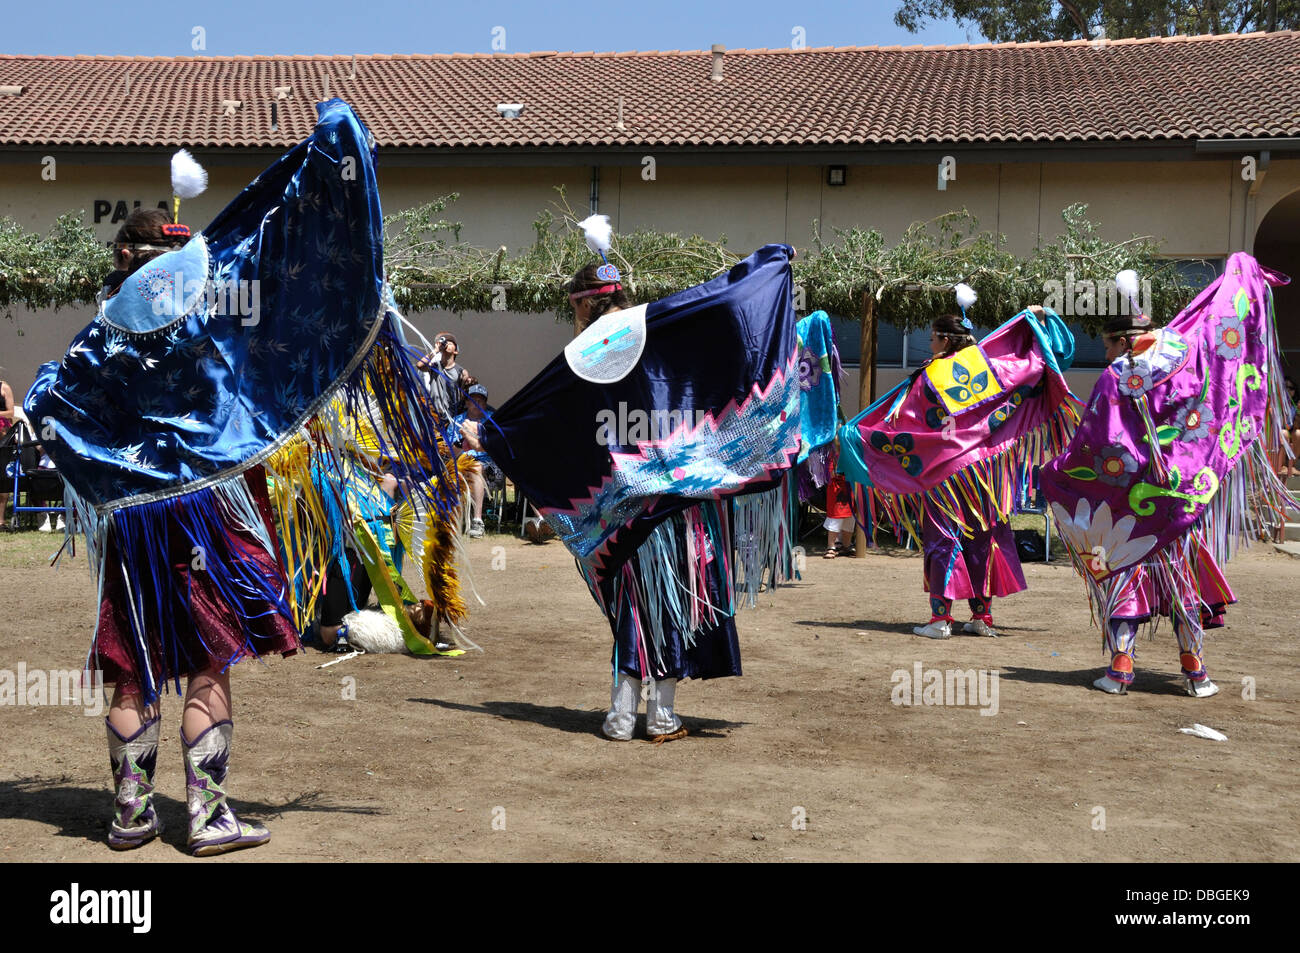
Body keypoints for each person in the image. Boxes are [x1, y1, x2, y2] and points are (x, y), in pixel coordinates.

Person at [27, 101, 455, 853]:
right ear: (174, 246)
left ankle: (132, 814)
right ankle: (208, 814)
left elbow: (47, 404)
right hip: (209, 504)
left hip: (135, 515)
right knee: (207, 659)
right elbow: (287, 241)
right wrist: (332, 138)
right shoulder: (214, 290)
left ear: (123, 258)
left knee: (132, 659)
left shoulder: (100, 335)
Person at [462, 226, 802, 742]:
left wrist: (490, 432)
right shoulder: (660, 326)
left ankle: (627, 715)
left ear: (582, 305)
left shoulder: (585, 354)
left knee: (638, 607)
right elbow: (718, 302)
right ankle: (656, 715)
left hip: (625, 509)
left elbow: (544, 416)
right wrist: (769, 266)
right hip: (678, 498)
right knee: (672, 602)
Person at [1042, 259, 1292, 698]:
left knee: (1127, 572)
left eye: (1106, 345)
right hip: (1181, 499)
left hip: (1131, 506)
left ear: (1123, 341)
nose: (1104, 354)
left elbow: (1101, 443)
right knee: (1181, 579)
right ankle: (1197, 674)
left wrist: (1060, 471)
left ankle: (1120, 671)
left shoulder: (1116, 377)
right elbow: (1214, 389)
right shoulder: (1185, 356)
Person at [838, 294, 1079, 641]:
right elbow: (1038, 364)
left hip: (946, 473)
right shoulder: (988, 366)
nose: (930, 344)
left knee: (942, 538)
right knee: (983, 537)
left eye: (933, 338)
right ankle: (982, 617)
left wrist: (860, 435)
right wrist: (1037, 317)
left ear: (945, 340)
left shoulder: (931, 375)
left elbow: (908, 425)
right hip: (984, 473)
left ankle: (941, 619)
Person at [451, 383, 502, 539]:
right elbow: (451, 453)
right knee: (456, 471)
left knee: (477, 467)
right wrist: (461, 442)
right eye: (472, 400)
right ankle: (451, 523)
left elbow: (499, 448)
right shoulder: (457, 421)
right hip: (461, 466)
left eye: (480, 401)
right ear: (466, 402)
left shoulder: (492, 420)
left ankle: (477, 521)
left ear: (485, 403)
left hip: (490, 468)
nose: (476, 404)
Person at [418, 332, 475, 425]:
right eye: (445, 342)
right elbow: (420, 365)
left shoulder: (461, 372)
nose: (446, 343)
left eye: (450, 342)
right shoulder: (434, 366)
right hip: (434, 415)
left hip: (452, 417)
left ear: (456, 351)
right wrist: (436, 350)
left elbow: (463, 394)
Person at [0, 372, 13, 529]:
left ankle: (1, 520)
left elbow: (11, 413)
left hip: (3, 439)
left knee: (2, 480)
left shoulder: (4, 387)